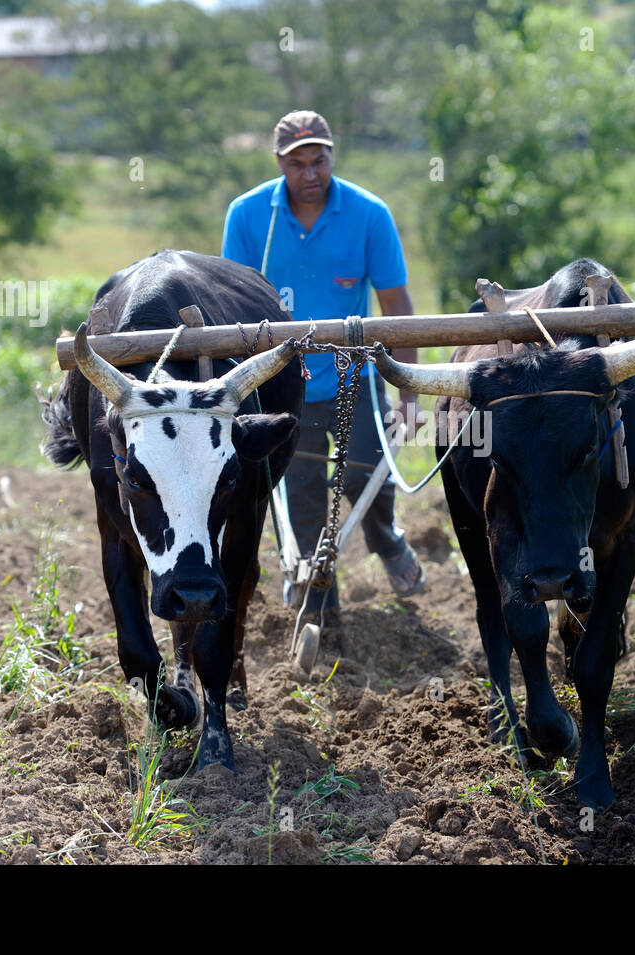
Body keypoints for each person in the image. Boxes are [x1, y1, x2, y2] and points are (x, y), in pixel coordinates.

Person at [222, 110, 426, 621]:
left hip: (353, 375)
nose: (310, 174)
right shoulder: (248, 217)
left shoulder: (368, 213)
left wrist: (409, 392)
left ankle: (386, 541)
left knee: (365, 473)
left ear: (332, 156)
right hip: (283, 383)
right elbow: (233, 309)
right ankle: (320, 597)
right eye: (298, 165)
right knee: (303, 488)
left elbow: (397, 308)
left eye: (320, 161)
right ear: (279, 164)